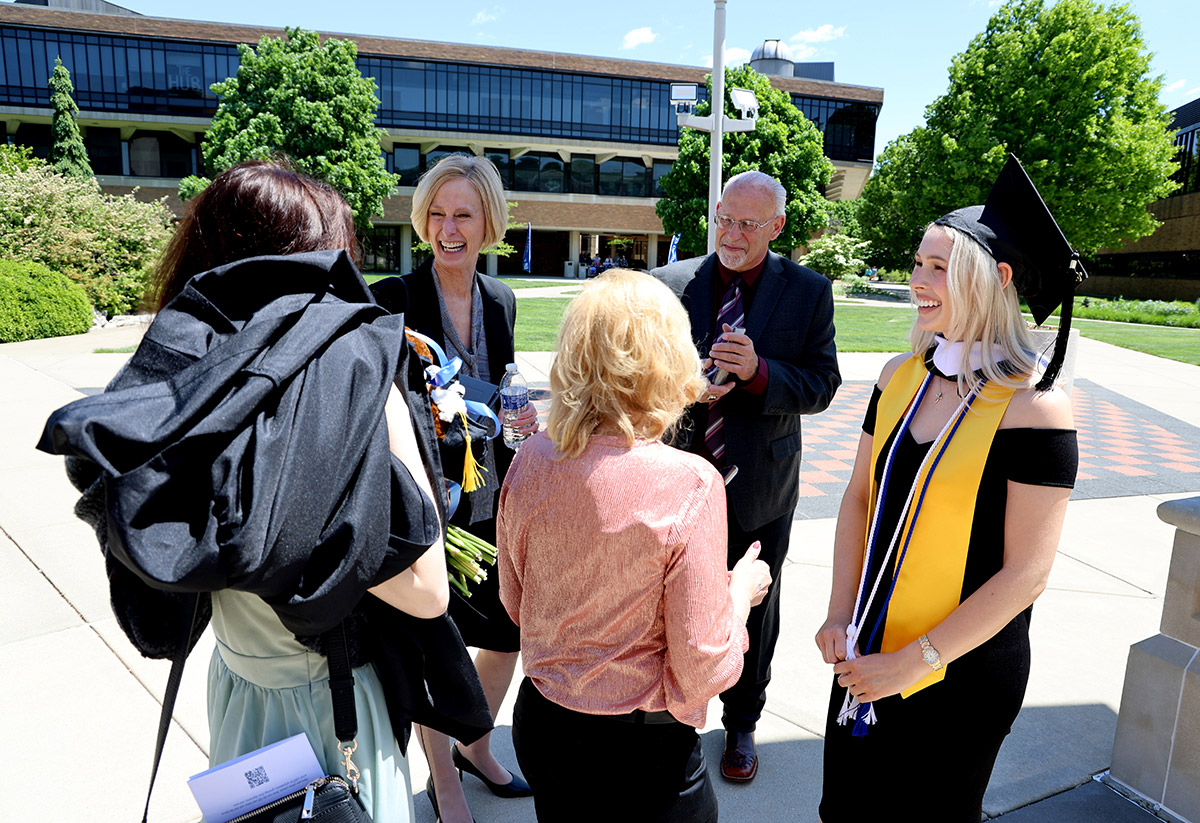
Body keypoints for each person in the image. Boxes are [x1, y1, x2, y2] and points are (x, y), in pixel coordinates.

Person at [38, 159, 459, 822]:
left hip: (238, 691)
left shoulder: (178, 391)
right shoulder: (351, 390)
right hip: (331, 707)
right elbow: (429, 589)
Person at [814, 155, 1081, 821]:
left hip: (962, 666)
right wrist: (839, 613)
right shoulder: (897, 377)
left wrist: (916, 661)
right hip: (871, 643)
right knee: (845, 810)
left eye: (939, 268)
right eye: (917, 264)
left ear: (997, 278)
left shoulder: (1034, 405)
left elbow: (1027, 573)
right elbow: (858, 498)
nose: (918, 282)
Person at [496, 269, 772, 822]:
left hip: (545, 724)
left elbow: (515, 600)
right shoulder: (690, 483)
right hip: (645, 755)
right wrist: (739, 594)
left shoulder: (532, 460)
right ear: (667, 358)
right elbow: (702, 666)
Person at [651, 170, 841, 782]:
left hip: (759, 486)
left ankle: (741, 724)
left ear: (777, 227)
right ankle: (673, 719)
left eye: (748, 224)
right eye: (724, 219)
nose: (731, 233)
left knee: (754, 604)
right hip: (674, 481)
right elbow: (639, 377)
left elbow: (821, 385)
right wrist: (688, 389)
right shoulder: (670, 286)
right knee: (666, 602)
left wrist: (760, 374)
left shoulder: (809, 291)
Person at [370, 152, 537, 822]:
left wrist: (521, 412)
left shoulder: (501, 299)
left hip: (492, 490)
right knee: (431, 641)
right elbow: (382, 400)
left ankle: (475, 743)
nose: (448, 227)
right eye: (437, 213)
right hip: (425, 496)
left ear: (487, 221)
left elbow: (503, 382)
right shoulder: (395, 298)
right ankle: (443, 778)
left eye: (462, 212)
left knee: (506, 633)